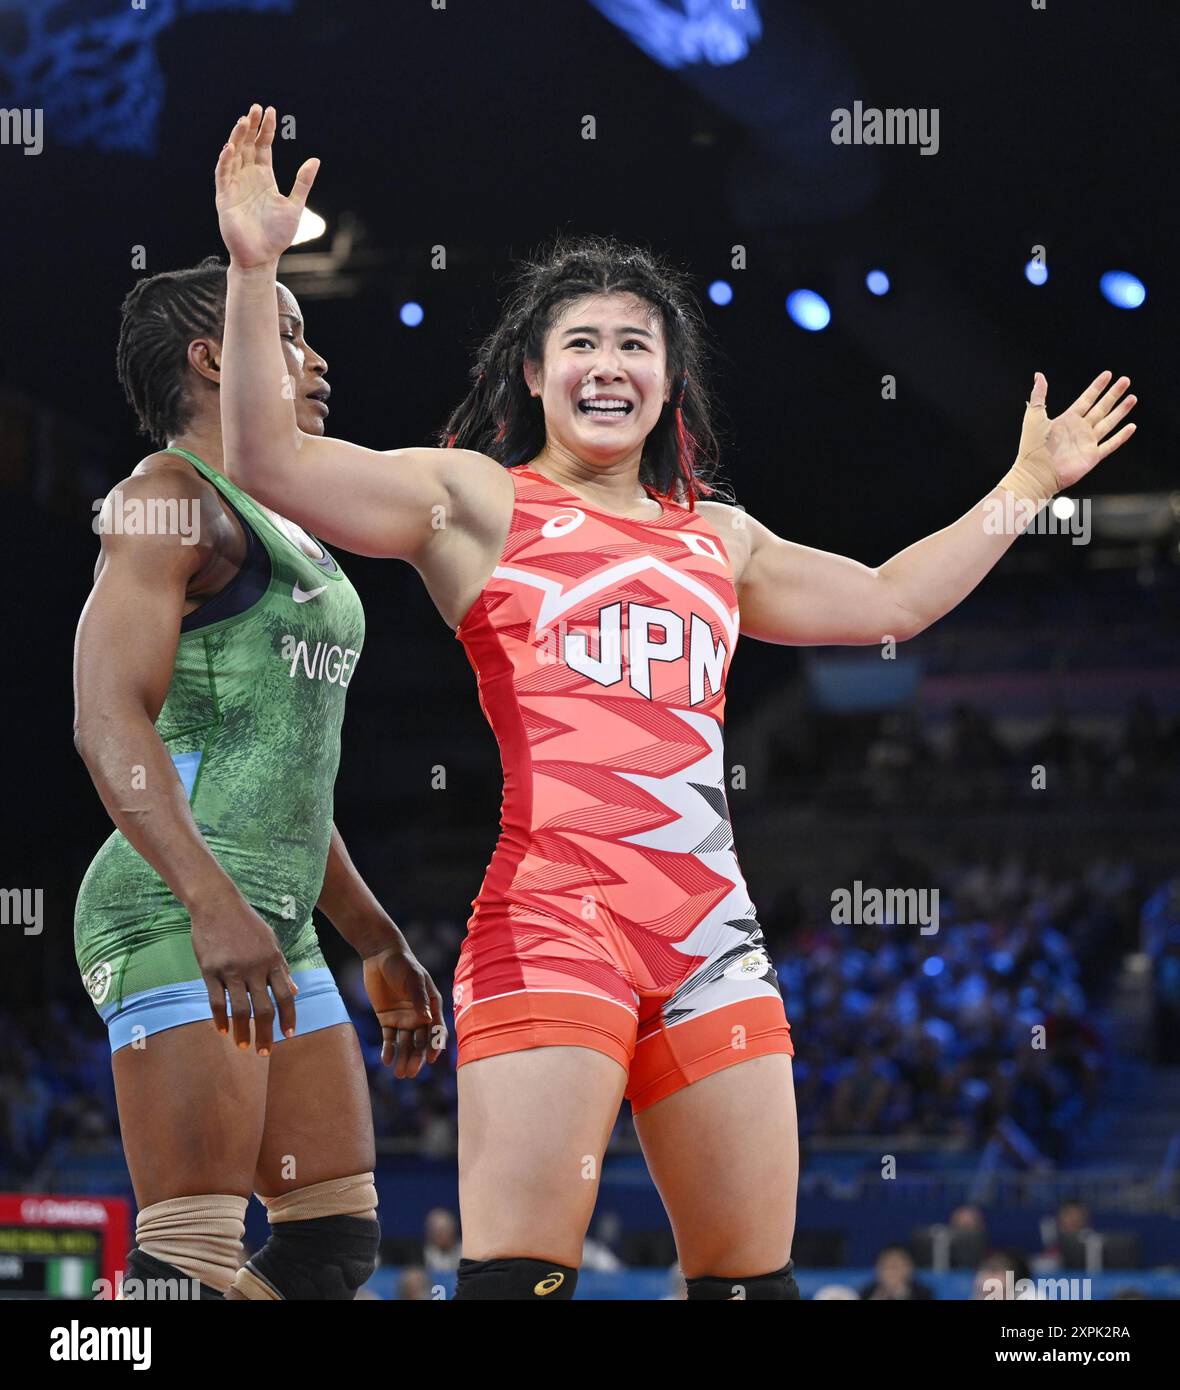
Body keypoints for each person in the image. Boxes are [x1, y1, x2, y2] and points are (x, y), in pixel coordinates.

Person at [213, 103, 1137, 1301]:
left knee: (752, 1285)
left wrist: (1023, 485)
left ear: (668, 379)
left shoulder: (722, 541)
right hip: (552, 923)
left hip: (711, 939)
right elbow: (267, 463)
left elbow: (891, 599)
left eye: (635, 344)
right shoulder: (474, 501)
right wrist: (250, 269)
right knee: (516, 1281)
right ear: (535, 373)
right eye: (581, 342)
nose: (609, 364)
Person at [73, 257, 445, 1301]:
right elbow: (105, 721)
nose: (317, 358)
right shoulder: (163, 496)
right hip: (174, 908)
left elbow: (286, 772)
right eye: (291, 333)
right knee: (183, 1262)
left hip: (274, 914)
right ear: (211, 356)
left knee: (332, 1249)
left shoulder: (289, 516)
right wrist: (209, 904)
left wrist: (375, 936)